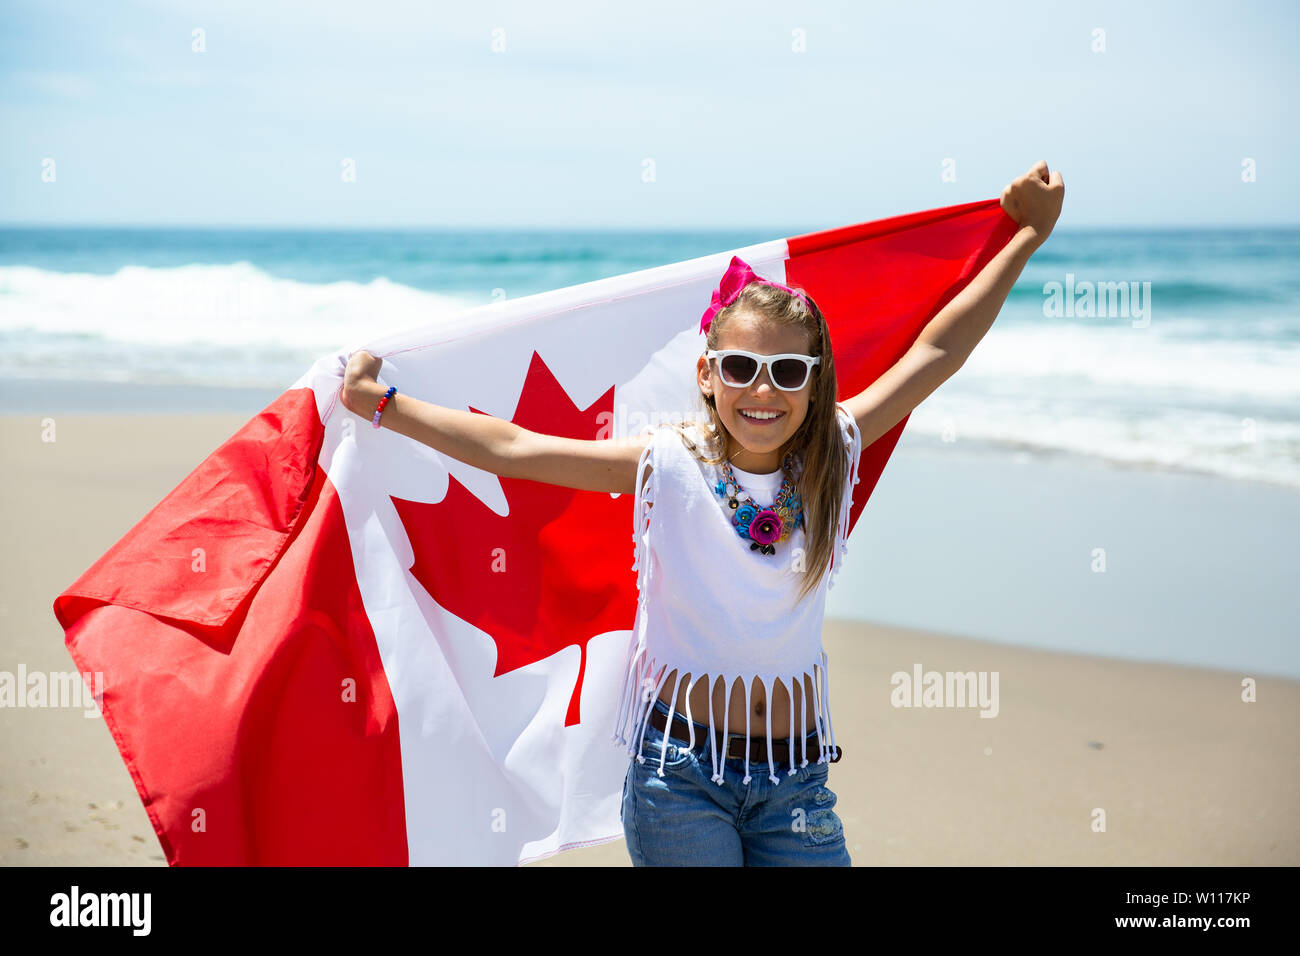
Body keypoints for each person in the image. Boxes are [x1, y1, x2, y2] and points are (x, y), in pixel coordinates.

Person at [340, 161, 1064, 866]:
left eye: (788, 372)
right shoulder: (667, 463)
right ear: (707, 375)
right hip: (679, 779)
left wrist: (1024, 238)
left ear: (815, 386)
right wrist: (384, 405)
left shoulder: (831, 454)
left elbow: (936, 352)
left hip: (796, 781)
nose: (764, 390)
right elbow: (516, 447)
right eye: (742, 368)